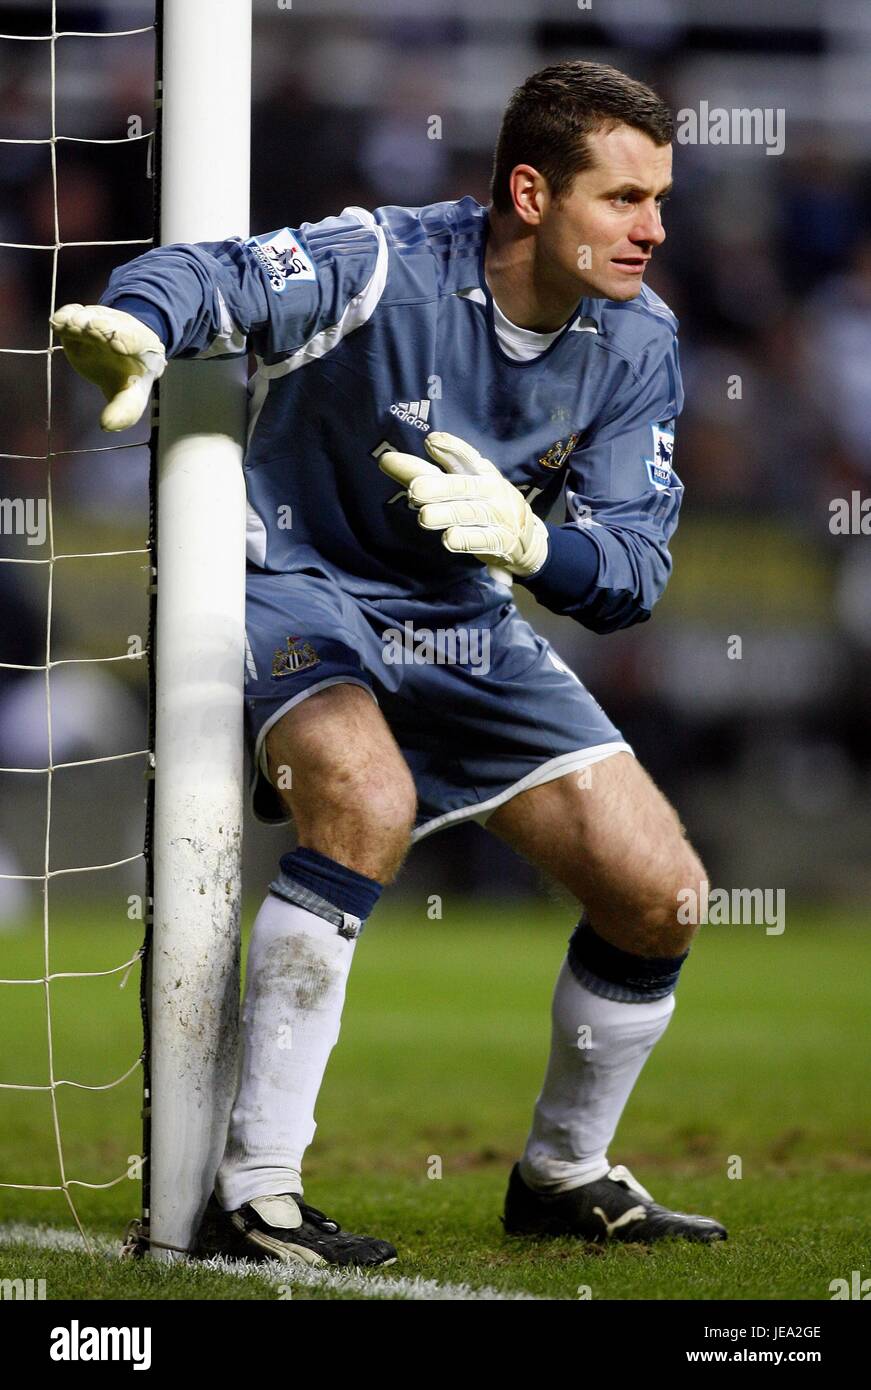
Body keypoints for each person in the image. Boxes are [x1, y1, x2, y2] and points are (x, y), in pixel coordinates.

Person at [52, 59, 726, 1268]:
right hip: (292, 581)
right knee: (366, 797)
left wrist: (533, 544)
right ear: (530, 191)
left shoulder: (638, 340)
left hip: (459, 613)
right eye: (623, 198)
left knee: (659, 890)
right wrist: (140, 327)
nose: (653, 228)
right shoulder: (381, 262)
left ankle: (564, 1172)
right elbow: (215, 273)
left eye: (658, 198)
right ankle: (253, 1195)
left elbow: (628, 574)